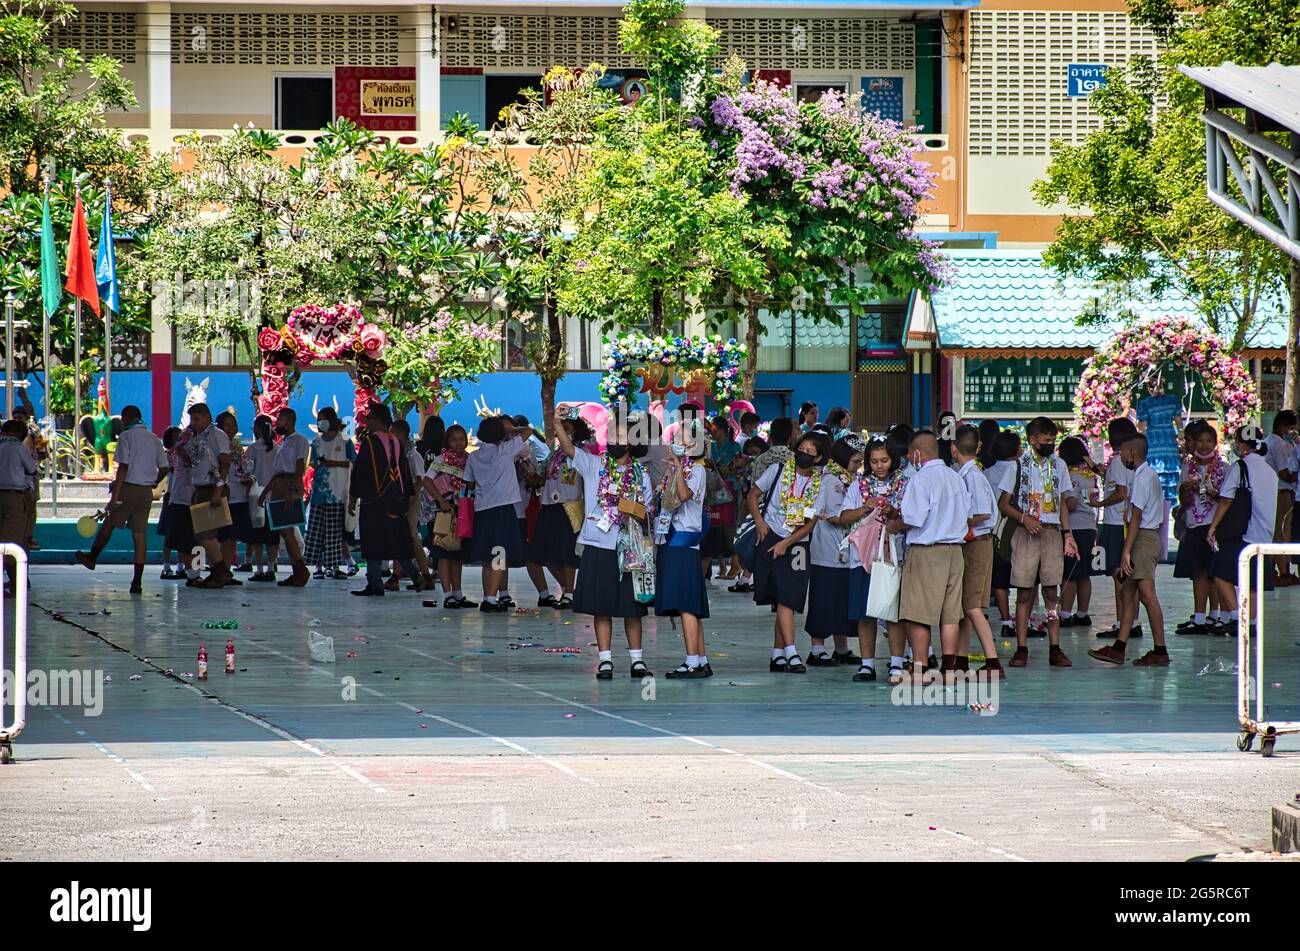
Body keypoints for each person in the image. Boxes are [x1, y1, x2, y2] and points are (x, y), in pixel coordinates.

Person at [554, 409, 654, 680]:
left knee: (632, 608)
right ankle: (605, 660)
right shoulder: (594, 465)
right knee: (602, 607)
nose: (615, 440)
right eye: (613, 435)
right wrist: (556, 423)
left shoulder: (641, 474)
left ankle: (637, 660)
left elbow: (647, 512)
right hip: (598, 545)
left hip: (629, 548)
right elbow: (568, 448)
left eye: (622, 435)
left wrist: (627, 507)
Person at [997, 416, 1079, 668]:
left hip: (1052, 532)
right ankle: (1021, 647)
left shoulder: (1059, 465)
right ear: (1032, 440)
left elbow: (1064, 503)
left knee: (1052, 593)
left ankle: (1055, 647)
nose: (1049, 445)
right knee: (1024, 593)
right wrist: (1024, 518)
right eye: (1045, 441)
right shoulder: (1017, 467)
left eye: (1052, 441)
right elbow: (1003, 504)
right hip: (1026, 532)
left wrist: (1068, 535)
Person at [748, 429, 830, 674]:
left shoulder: (820, 483)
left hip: (797, 543)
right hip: (772, 534)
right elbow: (753, 495)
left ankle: (779, 654)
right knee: (783, 598)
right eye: (801, 449)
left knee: (789, 598)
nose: (803, 454)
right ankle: (791, 653)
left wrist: (787, 543)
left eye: (810, 452)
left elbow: (810, 524)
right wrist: (760, 523)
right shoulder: (779, 470)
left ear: (818, 458)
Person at [1087, 434, 1170, 666]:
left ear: (1132, 453)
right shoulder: (1145, 475)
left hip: (1142, 539)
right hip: (1142, 538)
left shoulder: (1143, 478)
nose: (1120, 456)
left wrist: (1126, 551)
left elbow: (1136, 517)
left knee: (1147, 594)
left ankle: (1160, 650)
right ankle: (1119, 647)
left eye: (1122, 452)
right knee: (1127, 592)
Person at [833, 435, 909, 683]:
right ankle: (867, 664)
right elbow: (843, 516)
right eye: (874, 461)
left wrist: (892, 511)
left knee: (892, 612)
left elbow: (911, 518)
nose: (879, 466)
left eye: (884, 460)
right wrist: (865, 508)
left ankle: (896, 662)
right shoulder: (857, 486)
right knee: (865, 613)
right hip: (862, 558)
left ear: (894, 460)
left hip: (893, 557)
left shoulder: (906, 484)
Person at [896, 431, 970, 682]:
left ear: (916, 454)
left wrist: (892, 523)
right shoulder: (956, 477)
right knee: (950, 614)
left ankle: (919, 669)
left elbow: (913, 519)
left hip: (927, 552)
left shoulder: (921, 479)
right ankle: (949, 670)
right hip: (955, 552)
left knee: (918, 612)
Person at [74, 405, 167, 593]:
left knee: (109, 523)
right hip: (146, 493)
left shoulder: (126, 437)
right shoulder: (154, 439)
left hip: (128, 489)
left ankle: (92, 557)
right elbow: (164, 468)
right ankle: (137, 582)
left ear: (126, 418)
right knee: (140, 536)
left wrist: (114, 497)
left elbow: (123, 468)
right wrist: (153, 483)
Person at [1206, 426, 1278, 636]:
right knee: (1254, 582)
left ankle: (1238, 616)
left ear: (1242, 444)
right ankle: (1252, 622)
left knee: (1219, 572)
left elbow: (1227, 499)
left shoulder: (1240, 467)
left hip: (1243, 533)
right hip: (1265, 534)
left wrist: (1213, 527)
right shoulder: (1270, 472)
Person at [658, 419, 713, 678]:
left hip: (683, 540)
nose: (675, 444)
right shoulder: (682, 468)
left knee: (686, 604)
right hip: (674, 537)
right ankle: (700, 659)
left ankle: (691, 661)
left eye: (680, 439)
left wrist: (678, 469)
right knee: (689, 604)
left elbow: (683, 496)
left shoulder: (698, 470)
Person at [804, 434, 864, 667]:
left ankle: (841, 648)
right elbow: (836, 516)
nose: (859, 466)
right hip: (828, 552)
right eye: (856, 461)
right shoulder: (831, 481)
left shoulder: (847, 478)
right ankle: (817, 649)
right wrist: (864, 511)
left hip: (845, 552)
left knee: (842, 601)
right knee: (824, 601)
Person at [349, 403, 420, 597]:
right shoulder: (396, 440)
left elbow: (360, 472)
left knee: (373, 541)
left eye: (370, 418)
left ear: (379, 420)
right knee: (398, 540)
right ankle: (416, 575)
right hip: (396, 499)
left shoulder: (370, 442)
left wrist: (352, 497)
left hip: (375, 500)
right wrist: (406, 497)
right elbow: (404, 470)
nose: (367, 421)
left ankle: (375, 584)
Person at [951, 424, 1003, 679]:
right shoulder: (968, 474)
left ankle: (993, 662)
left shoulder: (972, 476)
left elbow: (983, 513)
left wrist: (957, 521)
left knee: (971, 605)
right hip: (973, 543)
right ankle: (960, 660)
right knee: (963, 606)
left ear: (953, 448)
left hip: (977, 543)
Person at [526, 416, 591, 608]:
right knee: (544, 555)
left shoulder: (582, 453)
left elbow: (588, 482)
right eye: (560, 428)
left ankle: (569, 593)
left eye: (567, 428)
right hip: (548, 506)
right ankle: (568, 590)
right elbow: (539, 478)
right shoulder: (552, 455)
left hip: (569, 506)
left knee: (567, 554)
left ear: (576, 430)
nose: (561, 431)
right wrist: (527, 471)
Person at [464, 415, 524, 610]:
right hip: (502, 509)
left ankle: (487, 595)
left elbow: (470, 482)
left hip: (482, 509)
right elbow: (528, 432)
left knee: (488, 558)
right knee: (499, 555)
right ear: (500, 434)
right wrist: (510, 430)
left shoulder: (473, 456)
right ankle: (490, 599)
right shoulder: (505, 450)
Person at [1173, 421, 1226, 634]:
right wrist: (1185, 491)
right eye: (1201, 441)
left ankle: (1215, 616)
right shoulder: (1188, 467)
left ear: (1215, 443)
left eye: (1209, 441)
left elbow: (1227, 498)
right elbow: (1183, 499)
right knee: (1199, 572)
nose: (1204, 445)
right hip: (1195, 525)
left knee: (1214, 573)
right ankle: (1199, 617)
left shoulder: (1224, 467)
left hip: (1214, 525)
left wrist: (1214, 493)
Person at [177, 403, 233, 589]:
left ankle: (221, 571)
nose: (194, 423)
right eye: (192, 420)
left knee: (206, 535)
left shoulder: (217, 435)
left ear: (208, 417)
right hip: (200, 489)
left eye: (197, 419)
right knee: (201, 535)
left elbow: (224, 463)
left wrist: (218, 491)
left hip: (213, 488)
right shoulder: (197, 438)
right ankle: (218, 570)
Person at [1096, 417, 1140, 639]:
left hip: (1116, 523)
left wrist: (1098, 504)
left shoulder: (1117, 461)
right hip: (1131, 522)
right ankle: (1132, 621)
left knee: (1119, 575)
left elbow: (1121, 493)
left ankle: (1122, 623)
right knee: (1129, 576)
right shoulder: (1137, 461)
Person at [257, 408, 311, 588]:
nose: (277, 423)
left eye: (280, 420)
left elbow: (299, 468)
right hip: (278, 486)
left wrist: (293, 490)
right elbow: (277, 470)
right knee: (283, 531)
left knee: (288, 531)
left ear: (289, 421)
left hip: (289, 485)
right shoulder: (285, 442)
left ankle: (300, 569)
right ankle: (297, 569)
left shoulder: (299, 441)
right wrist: (265, 493)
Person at [426, 424, 474, 608]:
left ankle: (458, 593)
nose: (458, 443)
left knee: (458, 554)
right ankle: (448, 595)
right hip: (446, 512)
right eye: (454, 439)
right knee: (445, 554)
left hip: (464, 511)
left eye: (461, 439)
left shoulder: (470, 460)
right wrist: (441, 501)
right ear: (448, 441)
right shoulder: (441, 459)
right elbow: (426, 480)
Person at [304, 406, 354, 580]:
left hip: (338, 494)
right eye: (319, 418)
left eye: (323, 418)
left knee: (334, 533)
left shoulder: (345, 440)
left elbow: (352, 464)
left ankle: (333, 566)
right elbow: (313, 465)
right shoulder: (316, 441)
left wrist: (332, 463)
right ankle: (317, 566)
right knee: (316, 531)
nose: (320, 422)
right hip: (319, 492)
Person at [385, 418, 434, 591]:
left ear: (400, 434)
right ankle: (398, 576)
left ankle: (425, 576)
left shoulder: (413, 454)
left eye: (392, 432)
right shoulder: (396, 453)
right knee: (401, 538)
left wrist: (409, 498)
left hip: (410, 501)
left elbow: (421, 480)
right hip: (401, 500)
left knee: (412, 537)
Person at [1059, 436, 1100, 629]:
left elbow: (1071, 503)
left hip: (1073, 528)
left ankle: (1065, 614)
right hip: (1089, 527)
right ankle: (1082, 613)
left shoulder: (1068, 476)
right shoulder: (1089, 475)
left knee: (1069, 574)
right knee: (1084, 573)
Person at [985, 429, 1020, 637]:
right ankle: (1029, 620)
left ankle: (1006, 621)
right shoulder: (1021, 470)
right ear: (1017, 449)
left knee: (1000, 579)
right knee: (1028, 578)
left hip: (995, 532)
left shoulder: (986, 473)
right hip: (1020, 528)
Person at [702, 415, 740, 582]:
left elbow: (739, 467)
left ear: (723, 429)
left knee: (729, 526)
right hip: (714, 489)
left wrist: (720, 467)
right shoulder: (710, 446)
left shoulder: (734, 445)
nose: (712, 431)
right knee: (715, 526)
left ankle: (735, 563)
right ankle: (723, 565)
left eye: (715, 429)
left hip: (730, 489)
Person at [0, 420, 36, 594]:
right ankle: (17, 585)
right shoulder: (19, 448)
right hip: (14, 497)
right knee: (13, 544)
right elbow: (31, 469)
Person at [1262, 410, 1297, 584]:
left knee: (1276, 530)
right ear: (1283, 427)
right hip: (1282, 491)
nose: (1293, 432)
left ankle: (1277, 567)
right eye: (1291, 428)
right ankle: (1283, 570)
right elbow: (1284, 473)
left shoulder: (1267, 442)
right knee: (1282, 531)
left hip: (1271, 493)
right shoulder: (1280, 445)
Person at [244, 415, 280, 582]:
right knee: (272, 537)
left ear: (257, 428)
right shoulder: (278, 448)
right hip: (274, 496)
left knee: (258, 535)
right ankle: (271, 568)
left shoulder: (252, 449)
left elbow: (248, 472)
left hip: (257, 496)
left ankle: (258, 570)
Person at [214, 411, 249, 583]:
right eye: (227, 425)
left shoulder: (236, 445)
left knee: (232, 537)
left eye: (233, 424)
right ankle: (219, 570)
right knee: (222, 536)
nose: (232, 428)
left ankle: (226, 571)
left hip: (238, 496)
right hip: (223, 495)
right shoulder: (215, 445)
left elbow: (240, 469)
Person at [1135, 381, 1183, 503]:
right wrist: (1181, 437)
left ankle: (1155, 504)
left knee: (1154, 473)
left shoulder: (1146, 403)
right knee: (1170, 474)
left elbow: (1142, 428)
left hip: (1153, 442)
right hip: (1169, 440)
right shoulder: (1172, 400)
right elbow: (1179, 422)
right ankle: (1170, 505)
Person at [157, 426, 182, 579]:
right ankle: (166, 567)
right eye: (176, 437)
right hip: (172, 495)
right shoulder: (169, 455)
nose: (179, 439)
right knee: (168, 533)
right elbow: (166, 470)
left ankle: (181, 566)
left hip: (183, 496)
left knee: (182, 534)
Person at [750, 416, 794, 485]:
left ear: (770, 437)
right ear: (790, 438)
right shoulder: (795, 459)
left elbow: (753, 487)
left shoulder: (760, 460)